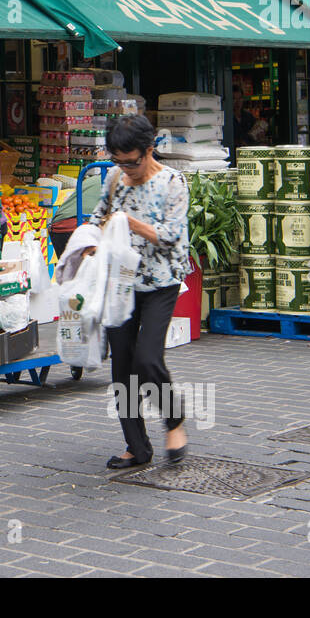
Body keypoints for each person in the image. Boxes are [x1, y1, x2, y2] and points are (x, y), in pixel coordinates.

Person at [90, 115, 192, 469]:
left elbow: (170, 236)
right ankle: (137, 447)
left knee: (148, 358)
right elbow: (96, 217)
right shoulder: (115, 178)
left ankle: (174, 421)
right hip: (122, 284)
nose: (126, 168)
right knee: (122, 367)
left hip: (161, 282)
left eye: (131, 160)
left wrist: (128, 223)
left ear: (150, 150)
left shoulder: (173, 182)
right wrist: (87, 244)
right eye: (118, 160)